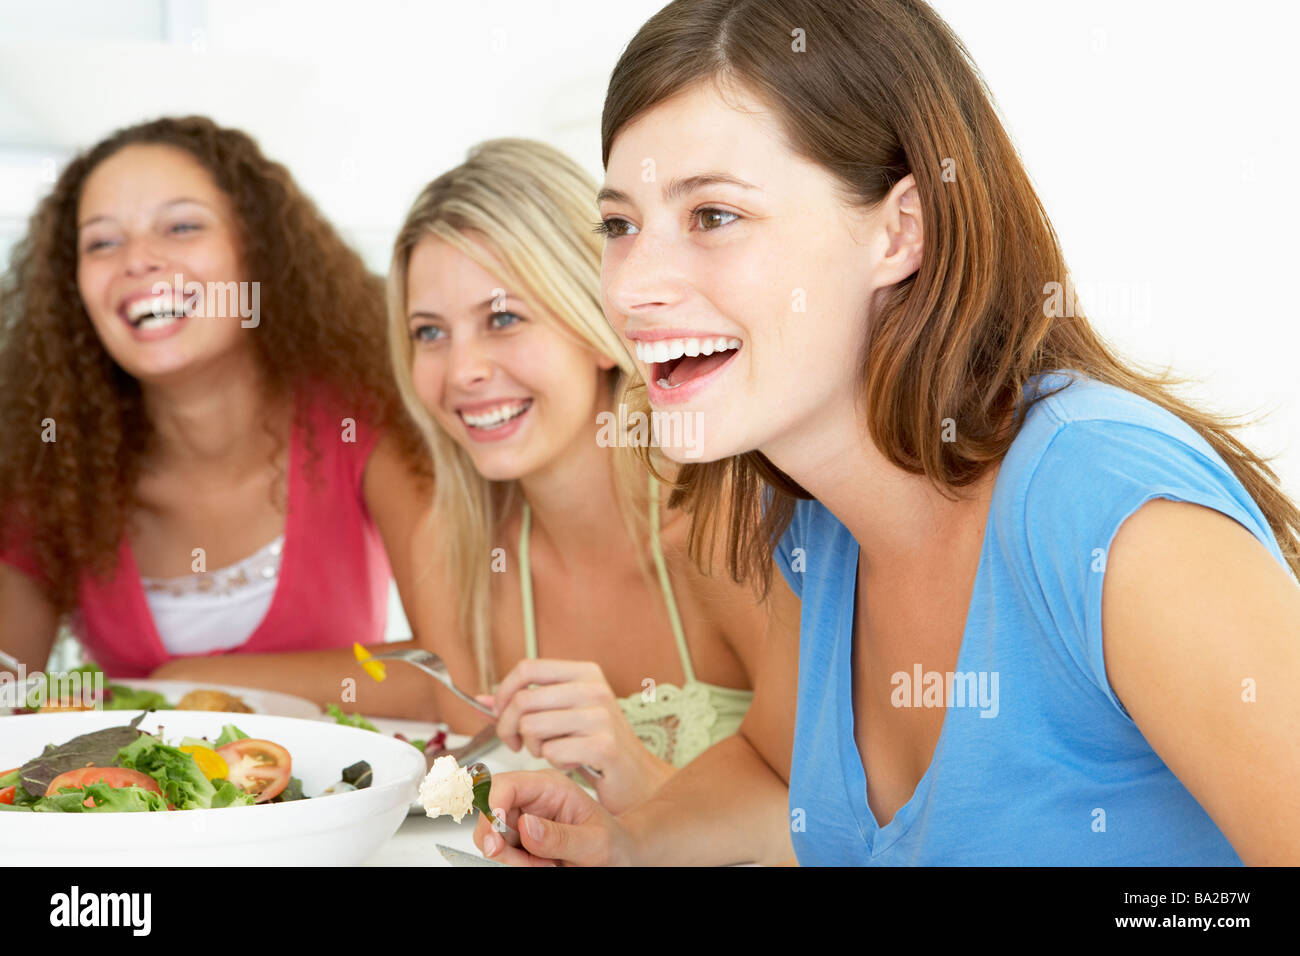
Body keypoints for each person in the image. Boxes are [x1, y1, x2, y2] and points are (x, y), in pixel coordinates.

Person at [471, 0, 1300, 865]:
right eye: (620, 225)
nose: (633, 285)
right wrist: (629, 843)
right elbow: (779, 769)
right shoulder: (811, 514)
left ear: (900, 229)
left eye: (713, 215)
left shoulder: (1114, 519)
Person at [0, 116, 438, 719]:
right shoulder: (50, 466)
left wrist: (191, 681)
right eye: (102, 242)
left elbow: (455, 675)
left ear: (258, 250)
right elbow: (8, 693)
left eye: (181, 226)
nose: (138, 260)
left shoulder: (365, 422)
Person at [386, 138, 765, 812]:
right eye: (429, 332)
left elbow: (854, 833)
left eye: (502, 318)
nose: (462, 370)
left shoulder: (725, 523)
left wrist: (635, 772)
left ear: (598, 324)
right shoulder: (459, 555)